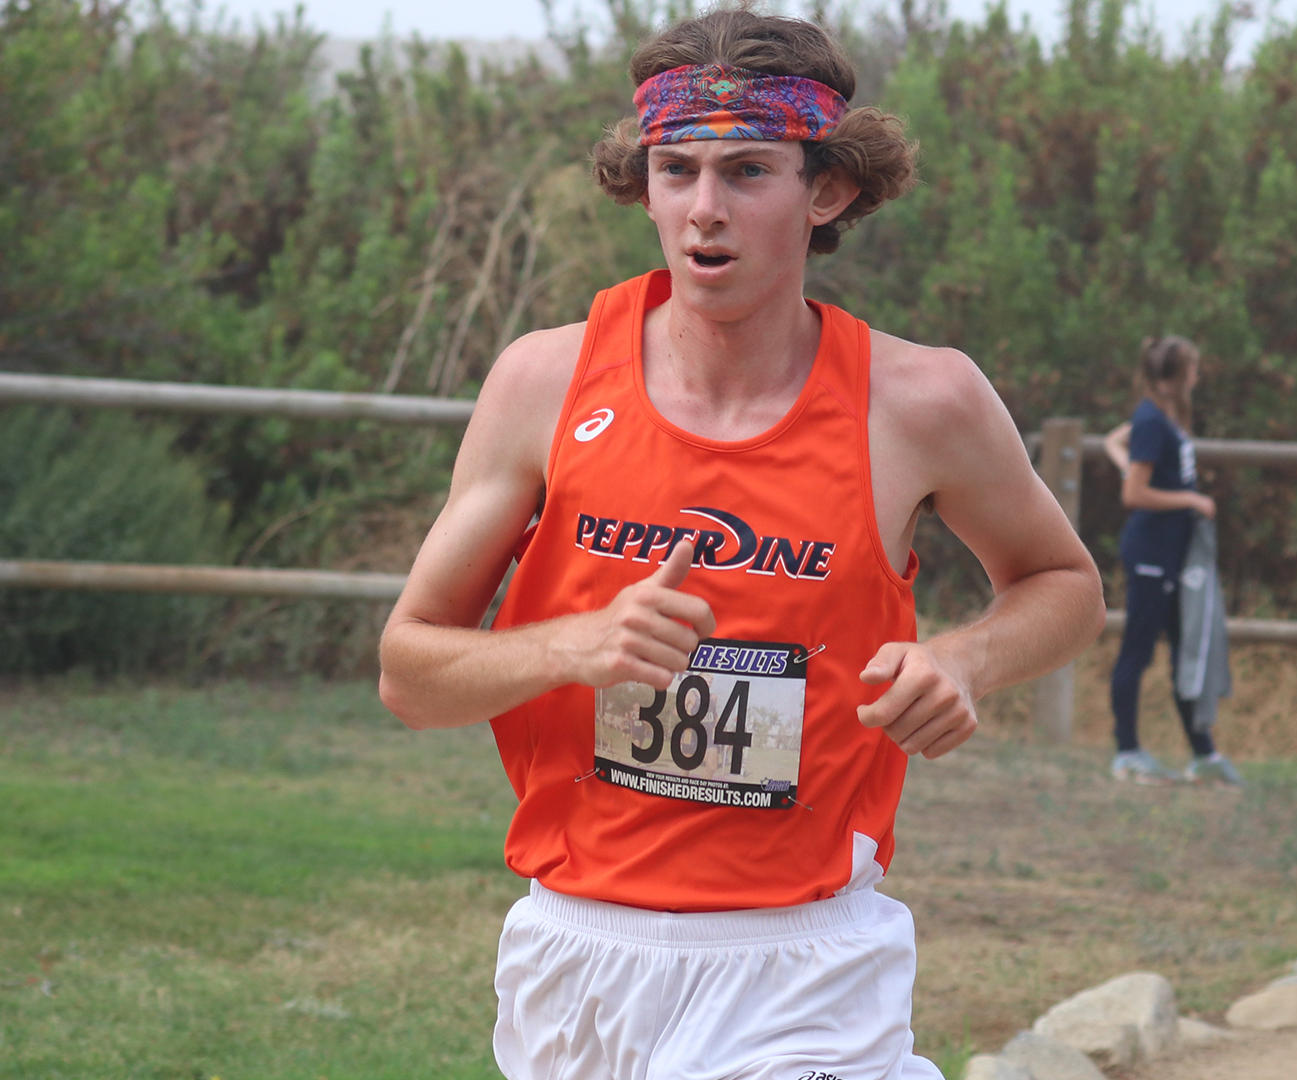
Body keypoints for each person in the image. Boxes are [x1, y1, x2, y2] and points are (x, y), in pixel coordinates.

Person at [375, 12, 1104, 1076]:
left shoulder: (919, 400)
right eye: (677, 171)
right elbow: (408, 674)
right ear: (646, 182)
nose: (704, 212)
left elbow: (1065, 585)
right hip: (578, 954)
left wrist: (962, 659)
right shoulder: (544, 382)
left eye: (748, 171)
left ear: (829, 190)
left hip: (803, 958)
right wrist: (573, 648)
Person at [1101, 336, 1243, 786]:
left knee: (1185, 650)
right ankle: (1126, 752)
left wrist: (1125, 460)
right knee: (1137, 652)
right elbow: (1134, 494)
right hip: (1150, 556)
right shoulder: (1151, 421)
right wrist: (1191, 499)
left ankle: (1204, 753)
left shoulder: (1161, 419)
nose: (1197, 378)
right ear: (1174, 377)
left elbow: (1112, 441)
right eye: (1193, 370)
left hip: (1174, 557)